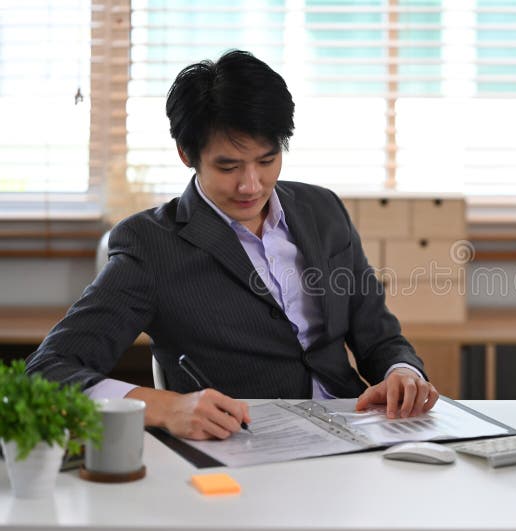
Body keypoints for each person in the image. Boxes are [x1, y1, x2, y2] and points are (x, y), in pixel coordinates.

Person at [26, 50, 439, 440]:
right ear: (186, 154)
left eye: (267, 160)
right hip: (245, 447)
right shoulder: (150, 245)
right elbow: (46, 371)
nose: (251, 185)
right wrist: (164, 407)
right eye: (228, 166)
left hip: (358, 434)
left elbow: (378, 336)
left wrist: (402, 373)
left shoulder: (322, 209)